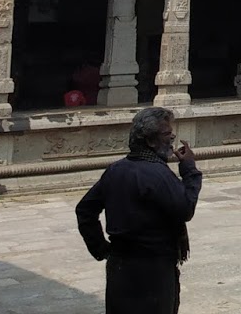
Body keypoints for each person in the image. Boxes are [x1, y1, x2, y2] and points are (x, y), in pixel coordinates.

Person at [76, 106, 203, 314]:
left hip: (120, 266)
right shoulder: (157, 174)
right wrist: (189, 169)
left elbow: (84, 210)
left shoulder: (116, 170)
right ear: (150, 140)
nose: (171, 139)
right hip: (153, 271)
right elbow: (185, 209)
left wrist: (101, 248)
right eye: (166, 134)